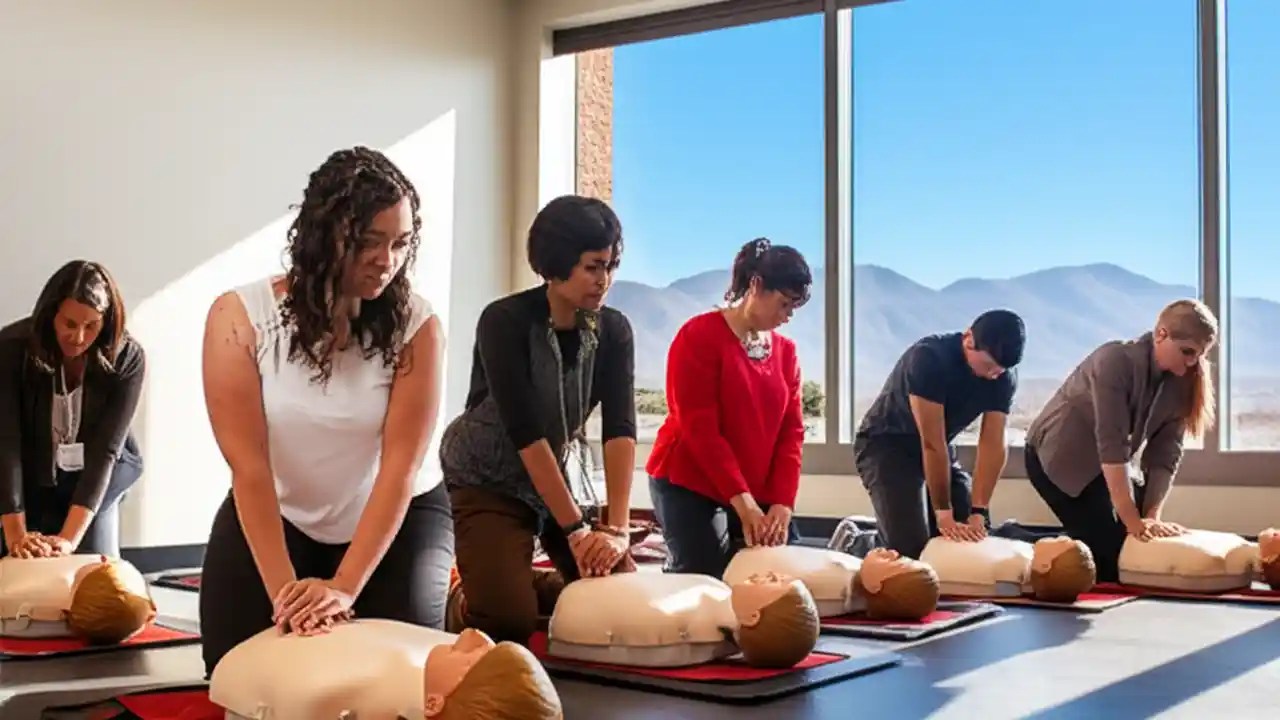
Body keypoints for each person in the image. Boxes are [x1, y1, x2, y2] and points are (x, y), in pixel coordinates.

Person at [198, 146, 452, 676]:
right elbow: (249, 467)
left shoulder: (417, 328)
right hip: (281, 512)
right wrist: (287, 600)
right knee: (236, 670)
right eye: (369, 242)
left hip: (395, 518)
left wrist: (343, 588)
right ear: (324, 236)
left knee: (398, 677)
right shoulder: (240, 317)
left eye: (401, 243)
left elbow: (399, 472)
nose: (388, 260)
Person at [439, 194, 638, 646]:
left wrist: (616, 531)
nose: (603, 280)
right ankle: (465, 595)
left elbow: (620, 430)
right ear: (556, 263)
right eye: (592, 266)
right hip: (488, 476)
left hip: (555, 481)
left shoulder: (614, 330)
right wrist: (577, 531)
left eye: (610, 266)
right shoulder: (503, 321)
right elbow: (526, 434)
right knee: (508, 624)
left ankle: (533, 583)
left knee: (616, 597)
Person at [646, 238, 811, 578]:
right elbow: (699, 430)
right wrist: (743, 503)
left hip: (755, 486)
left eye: (794, 308)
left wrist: (782, 503)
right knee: (705, 577)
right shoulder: (698, 336)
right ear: (756, 285)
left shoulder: (786, 352)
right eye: (783, 304)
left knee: (783, 573)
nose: (787, 316)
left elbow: (791, 433)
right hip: (689, 479)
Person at [1023, 299, 1216, 583]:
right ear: (1161, 334)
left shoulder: (1181, 381)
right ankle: (1012, 538)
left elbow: (1165, 456)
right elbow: (1111, 445)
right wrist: (1132, 521)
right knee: (1108, 560)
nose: (1191, 363)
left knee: (1134, 543)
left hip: (1109, 466)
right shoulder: (1114, 360)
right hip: (1059, 458)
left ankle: (1077, 536)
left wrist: (1151, 516)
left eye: (1197, 356)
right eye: (1186, 352)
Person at [842, 310, 1026, 560]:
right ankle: (855, 540)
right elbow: (931, 442)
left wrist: (978, 511)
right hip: (886, 445)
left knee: (969, 538)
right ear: (969, 339)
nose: (994, 375)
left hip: (940, 448)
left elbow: (993, 444)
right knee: (909, 551)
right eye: (988, 366)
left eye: (1001, 370)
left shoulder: (1003, 377)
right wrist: (943, 512)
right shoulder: (930, 358)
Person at [0, 260, 145, 559]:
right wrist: (16, 536)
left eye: (91, 326)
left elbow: (107, 451)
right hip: (27, 471)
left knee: (94, 571)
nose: (79, 338)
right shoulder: (11, 349)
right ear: (51, 314)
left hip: (97, 477)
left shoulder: (128, 359)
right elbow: (6, 442)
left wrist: (68, 539)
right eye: (69, 324)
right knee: (15, 562)